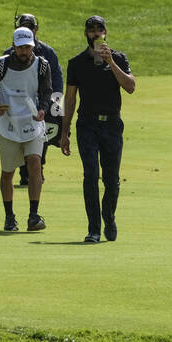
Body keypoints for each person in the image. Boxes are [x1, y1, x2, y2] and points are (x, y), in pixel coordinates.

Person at [59, 15, 135, 243]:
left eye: (99, 29)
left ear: (106, 32)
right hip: (87, 125)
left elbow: (130, 86)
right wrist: (65, 132)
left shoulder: (118, 58)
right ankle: (93, 228)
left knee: (111, 179)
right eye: (91, 30)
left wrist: (111, 62)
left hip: (112, 124)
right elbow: (70, 99)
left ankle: (109, 218)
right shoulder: (77, 63)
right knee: (90, 175)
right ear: (86, 34)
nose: (95, 33)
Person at [0, 26, 53, 231]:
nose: (24, 52)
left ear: (33, 46)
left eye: (27, 47)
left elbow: (46, 92)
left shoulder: (42, 66)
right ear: (13, 46)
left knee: (35, 163)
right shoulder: (0, 65)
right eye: (20, 48)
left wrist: (42, 109)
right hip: (8, 123)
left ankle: (33, 215)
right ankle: (10, 217)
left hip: (32, 121)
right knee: (7, 172)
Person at [6, 14, 63, 187]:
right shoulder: (8, 54)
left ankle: (36, 170)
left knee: (42, 137)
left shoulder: (47, 52)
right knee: (19, 139)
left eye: (31, 27)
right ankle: (25, 172)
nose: (28, 29)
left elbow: (57, 79)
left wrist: (56, 103)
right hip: (18, 103)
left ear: (36, 29)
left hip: (43, 102)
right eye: (24, 26)